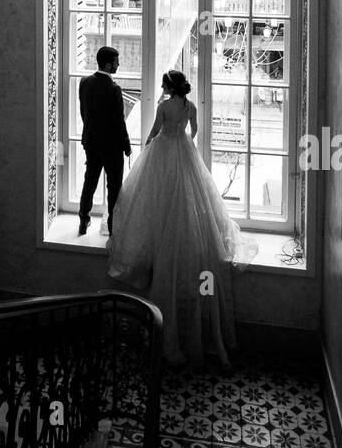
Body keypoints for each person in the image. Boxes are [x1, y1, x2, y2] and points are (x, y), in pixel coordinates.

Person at [108, 69, 256, 366]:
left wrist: (148, 149)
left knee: (156, 198)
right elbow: (196, 131)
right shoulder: (189, 107)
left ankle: (158, 245)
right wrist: (182, 138)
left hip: (164, 150)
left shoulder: (164, 106)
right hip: (183, 150)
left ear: (168, 86)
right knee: (189, 199)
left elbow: (153, 132)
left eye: (163, 83)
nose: (161, 86)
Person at [78, 45, 131, 236]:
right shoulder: (113, 88)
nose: (118, 65)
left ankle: (83, 219)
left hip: (91, 141)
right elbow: (119, 121)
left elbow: (84, 112)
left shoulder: (84, 82)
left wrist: (90, 134)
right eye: (116, 62)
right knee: (114, 186)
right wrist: (126, 145)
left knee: (89, 180)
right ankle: (112, 226)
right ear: (109, 65)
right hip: (111, 146)